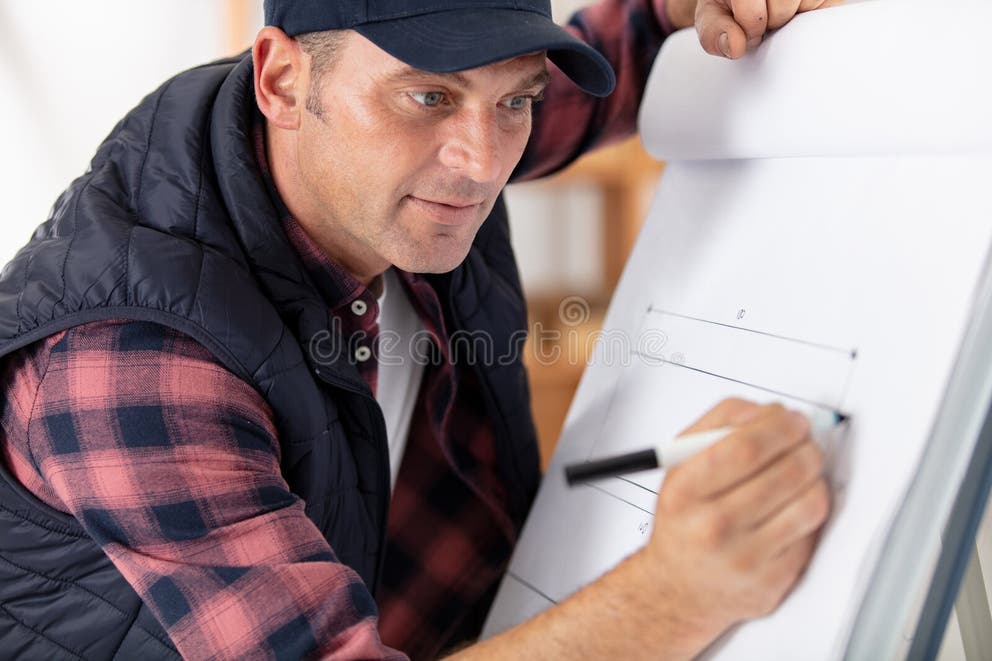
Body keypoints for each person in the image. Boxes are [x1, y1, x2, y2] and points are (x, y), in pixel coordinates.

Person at [0, 0, 838, 659]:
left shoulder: (377, 134)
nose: (481, 163)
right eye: (430, 95)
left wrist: (681, 11)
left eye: (516, 99)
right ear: (283, 81)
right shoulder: (131, 364)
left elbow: (602, 62)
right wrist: (672, 596)